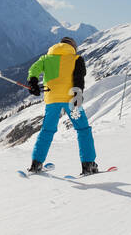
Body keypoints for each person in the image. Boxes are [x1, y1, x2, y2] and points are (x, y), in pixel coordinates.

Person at [25, 36, 98, 175]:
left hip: (52, 98)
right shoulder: (77, 59)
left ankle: (36, 164)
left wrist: (32, 83)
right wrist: (78, 97)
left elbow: (33, 70)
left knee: (47, 130)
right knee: (83, 130)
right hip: (72, 98)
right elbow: (79, 80)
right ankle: (89, 165)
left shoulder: (46, 58)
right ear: (72, 47)